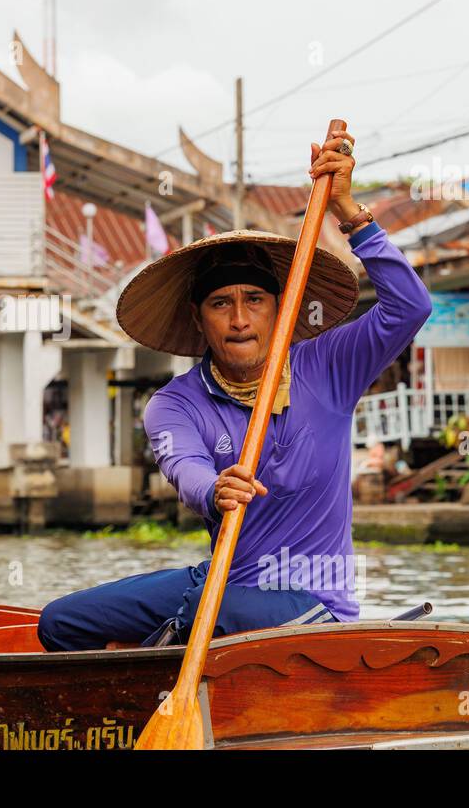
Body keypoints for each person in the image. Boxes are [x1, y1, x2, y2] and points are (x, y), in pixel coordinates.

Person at [38, 128, 433, 651]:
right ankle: (132, 682)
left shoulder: (328, 365)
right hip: (225, 589)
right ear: (199, 321)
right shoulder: (175, 403)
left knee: (207, 607)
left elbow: (411, 307)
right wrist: (215, 490)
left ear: (278, 310)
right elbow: (187, 472)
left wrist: (348, 211)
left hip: (312, 606)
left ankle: (171, 641)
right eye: (221, 303)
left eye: (255, 300)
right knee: (60, 622)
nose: (241, 319)